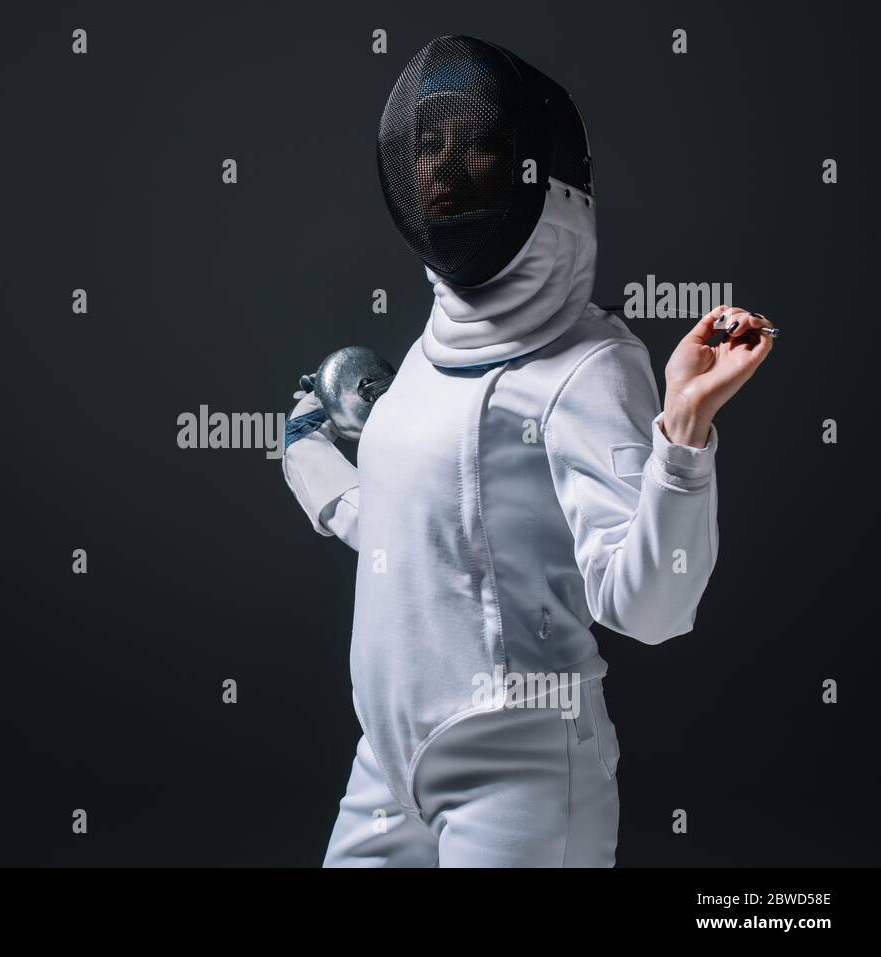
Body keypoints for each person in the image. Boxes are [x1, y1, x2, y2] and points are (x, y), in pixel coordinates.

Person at [281, 36, 774, 867]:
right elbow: (399, 535)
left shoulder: (587, 365)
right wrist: (304, 449)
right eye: (428, 141)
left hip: (521, 780)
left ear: (540, 174)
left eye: (476, 143)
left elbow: (651, 607)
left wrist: (683, 437)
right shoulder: (430, 356)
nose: (442, 164)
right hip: (387, 767)